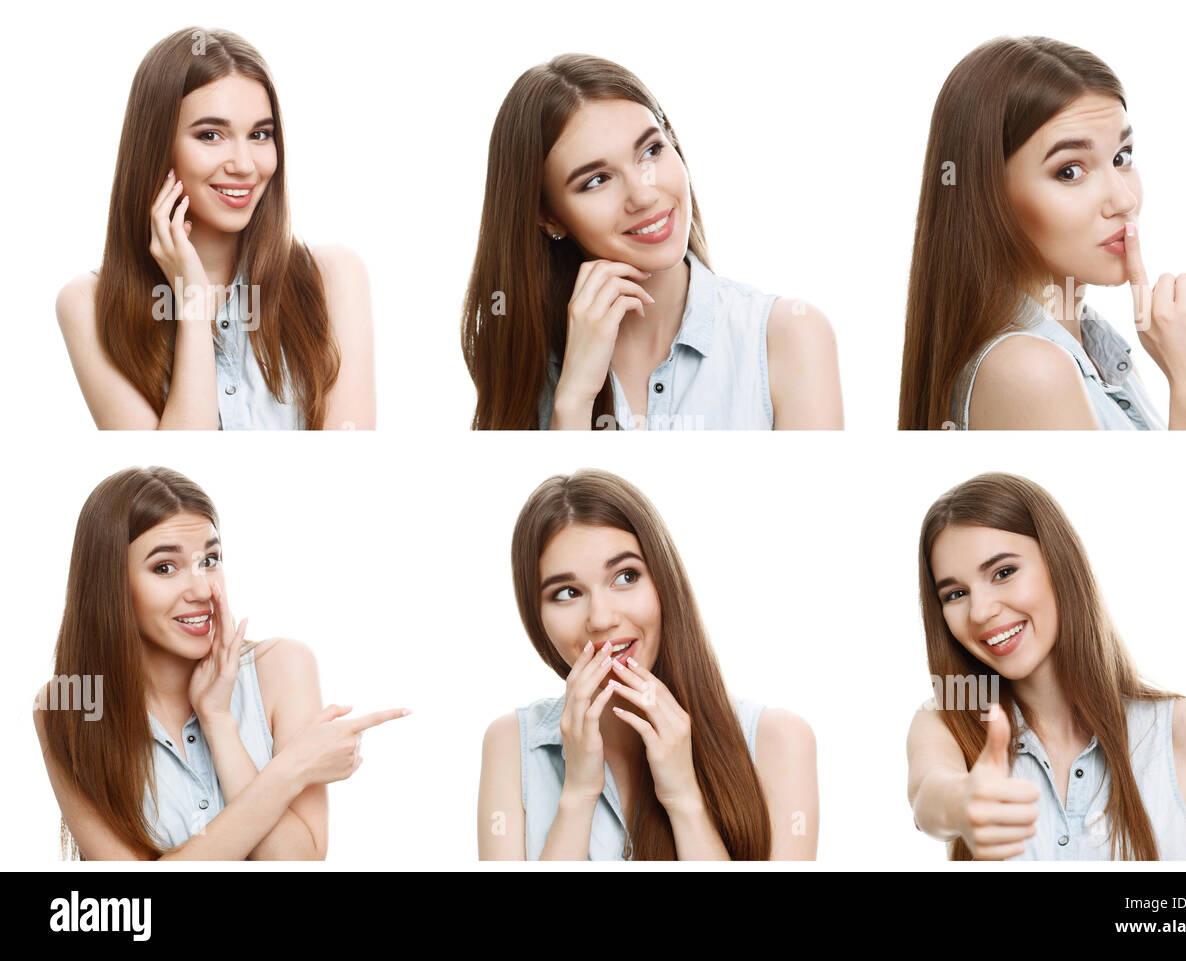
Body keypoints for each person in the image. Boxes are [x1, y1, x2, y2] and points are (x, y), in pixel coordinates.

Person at [906, 472, 1186, 859]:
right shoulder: (947, 718)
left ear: (1059, 563)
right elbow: (928, 792)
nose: (981, 610)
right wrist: (959, 803)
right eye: (955, 594)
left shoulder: (1182, 731)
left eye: (1004, 572)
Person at [33, 467, 407, 859]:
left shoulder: (281, 667)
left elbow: (295, 863)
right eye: (165, 567)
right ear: (110, 584)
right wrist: (293, 768)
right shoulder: (69, 704)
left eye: (209, 560)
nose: (200, 590)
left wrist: (218, 721)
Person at [462, 54, 843, 430]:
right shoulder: (526, 364)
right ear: (549, 217)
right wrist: (575, 397)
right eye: (596, 180)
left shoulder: (789, 337)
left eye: (651, 151)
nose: (643, 195)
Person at [478, 469, 818, 858]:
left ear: (663, 581)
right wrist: (577, 794)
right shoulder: (512, 746)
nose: (601, 619)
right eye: (567, 592)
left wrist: (684, 799)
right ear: (536, 614)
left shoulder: (780, 741)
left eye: (625, 576)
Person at [898, 37, 1186, 430]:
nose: (1123, 200)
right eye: (1070, 171)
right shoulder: (1031, 371)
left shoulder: (1098, 348)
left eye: (1121, 158)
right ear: (989, 196)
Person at [56, 27, 375, 429]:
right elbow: (176, 472)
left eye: (260, 134)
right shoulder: (88, 303)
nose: (244, 164)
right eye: (211, 135)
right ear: (156, 146)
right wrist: (192, 303)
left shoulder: (333, 277)